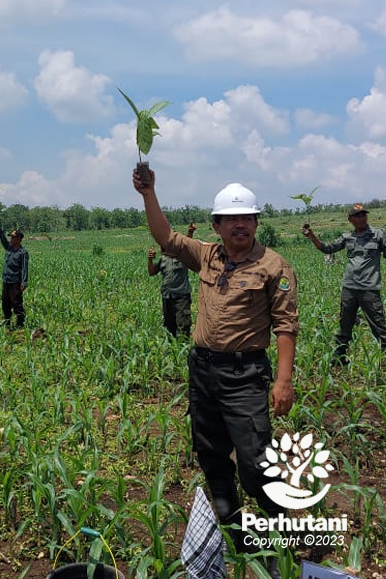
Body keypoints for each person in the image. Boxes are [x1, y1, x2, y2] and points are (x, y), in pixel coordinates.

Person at [134, 173, 297, 577]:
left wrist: (283, 380)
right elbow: (166, 239)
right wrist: (149, 193)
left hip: (244, 376)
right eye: (230, 219)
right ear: (217, 225)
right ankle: (238, 535)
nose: (240, 225)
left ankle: (283, 541)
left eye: (247, 219)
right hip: (203, 371)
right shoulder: (207, 256)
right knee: (210, 456)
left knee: (255, 463)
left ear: (257, 223)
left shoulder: (273, 266)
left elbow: (285, 326)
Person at [303, 203, 386, 365]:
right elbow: (327, 249)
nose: (362, 218)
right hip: (349, 288)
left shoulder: (378, 235)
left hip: (369, 289)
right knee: (345, 325)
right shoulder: (347, 237)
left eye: (364, 215)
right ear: (350, 219)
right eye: (358, 216)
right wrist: (312, 236)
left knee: (379, 326)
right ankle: (339, 358)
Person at [147, 222, 196, 338]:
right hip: (167, 296)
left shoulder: (181, 257)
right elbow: (152, 272)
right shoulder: (163, 259)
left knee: (183, 325)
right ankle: (173, 351)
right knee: (170, 326)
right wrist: (149, 260)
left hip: (181, 297)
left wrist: (190, 232)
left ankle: (182, 350)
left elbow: (187, 246)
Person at [0, 214, 29, 328]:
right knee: (5, 303)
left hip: (15, 282)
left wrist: (24, 283)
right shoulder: (9, 248)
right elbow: (2, 237)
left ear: (18, 239)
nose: (10, 239)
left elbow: (25, 269)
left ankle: (20, 324)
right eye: (11, 237)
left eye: (13, 237)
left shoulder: (22, 252)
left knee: (17, 304)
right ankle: (7, 322)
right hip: (6, 281)